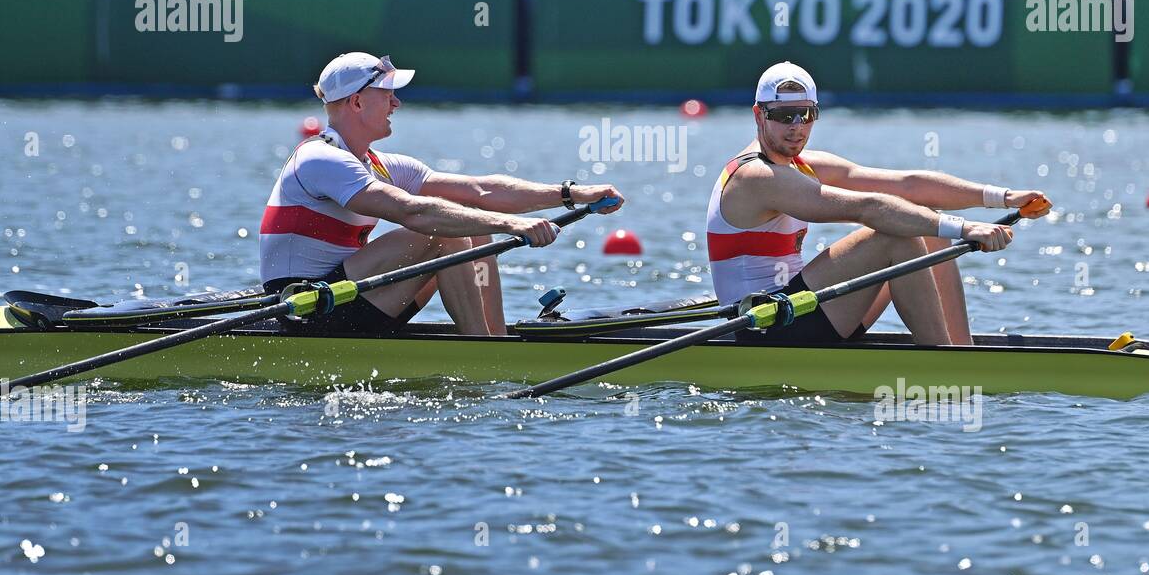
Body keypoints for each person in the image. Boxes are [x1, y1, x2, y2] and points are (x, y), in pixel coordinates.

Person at [260, 52, 621, 335]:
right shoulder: (320, 158)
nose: (396, 104)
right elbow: (413, 213)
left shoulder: (379, 164)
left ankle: (496, 343)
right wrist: (514, 224)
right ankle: (483, 357)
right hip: (304, 307)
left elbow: (481, 190)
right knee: (437, 232)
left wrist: (571, 193)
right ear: (356, 102)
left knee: (472, 222)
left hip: (343, 300)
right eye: (387, 94)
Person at [705, 61, 1050, 346]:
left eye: (806, 115)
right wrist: (966, 227)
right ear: (758, 115)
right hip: (761, 328)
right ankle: (947, 369)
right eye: (785, 115)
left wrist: (1001, 197)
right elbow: (867, 208)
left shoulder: (803, 164)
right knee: (892, 236)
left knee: (927, 231)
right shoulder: (755, 177)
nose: (796, 127)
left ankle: (962, 351)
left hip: (799, 313)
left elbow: (907, 185)